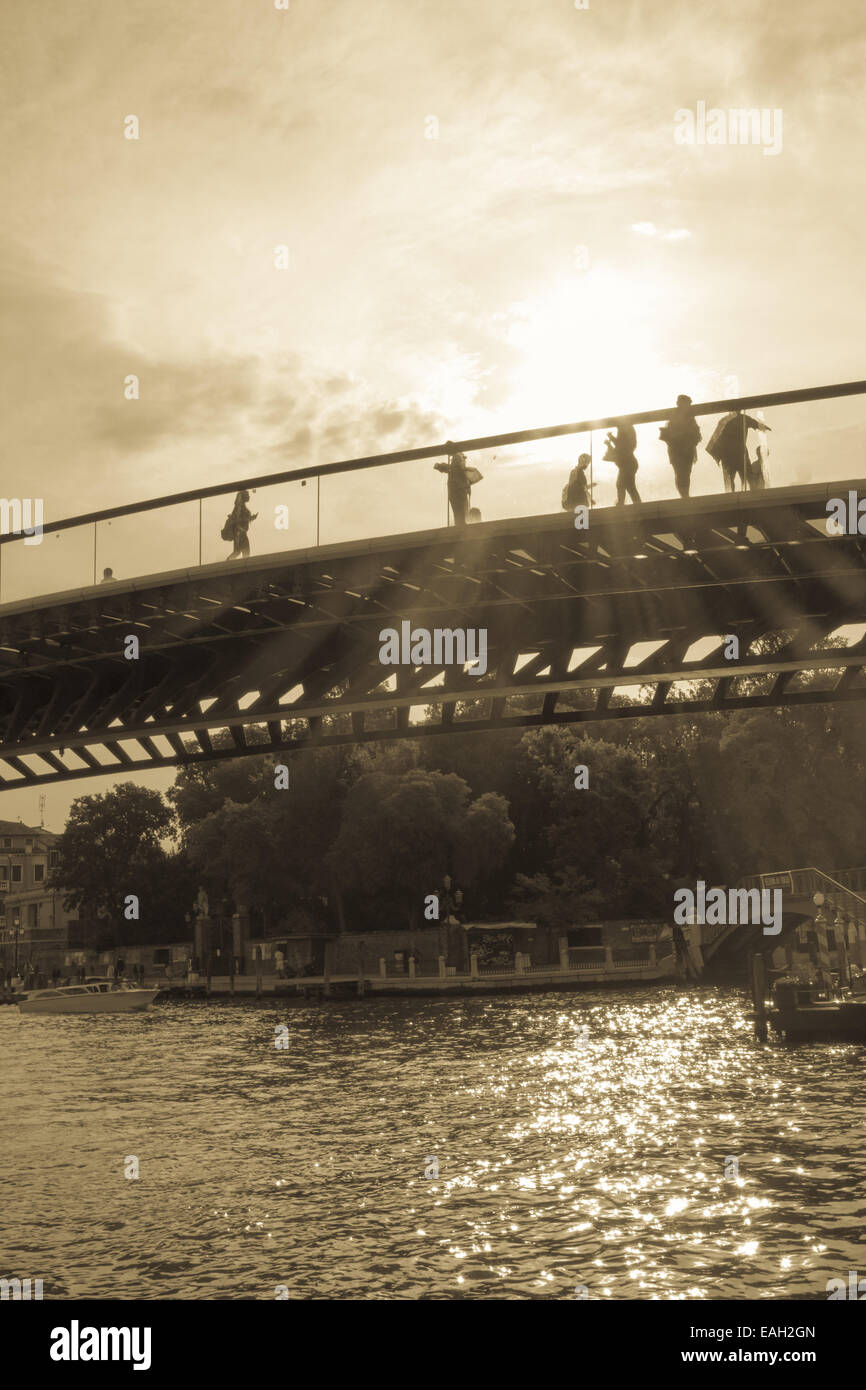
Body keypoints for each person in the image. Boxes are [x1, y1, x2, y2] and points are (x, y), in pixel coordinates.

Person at [705, 410, 771, 492]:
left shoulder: (726, 420)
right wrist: (763, 427)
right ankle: (748, 494)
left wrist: (717, 454)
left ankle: (734, 495)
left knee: (733, 479)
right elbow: (756, 424)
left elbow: (714, 440)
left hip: (730, 455)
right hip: (738, 454)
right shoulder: (742, 419)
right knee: (746, 477)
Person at [660, 395, 702, 499]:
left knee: (683, 473)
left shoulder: (685, 417)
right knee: (682, 473)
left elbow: (696, 434)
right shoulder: (684, 417)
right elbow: (696, 434)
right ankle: (684, 495)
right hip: (681, 449)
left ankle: (684, 495)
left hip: (683, 449)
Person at [434, 443, 476, 527]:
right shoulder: (458, 457)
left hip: (457, 488)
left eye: (447, 450)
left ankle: (460, 527)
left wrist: (441, 466)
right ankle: (461, 526)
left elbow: (455, 470)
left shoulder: (457, 457)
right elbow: (455, 469)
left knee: (459, 510)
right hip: (459, 488)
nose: (446, 453)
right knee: (461, 510)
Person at [605, 421, 641, 505]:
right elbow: (621, 445)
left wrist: (611, 438)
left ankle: (622, 504)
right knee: (628, 486)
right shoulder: (627, 431)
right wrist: (610, 441)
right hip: (628, 464)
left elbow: (621, 445)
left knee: (622, 485)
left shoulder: (624, 430)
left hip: (627, 464)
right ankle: (636, 504)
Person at [225, 489, 258, 559]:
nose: (249, 496)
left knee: (239, 552)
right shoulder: (239, 507)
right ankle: (226, 564)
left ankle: (226, 563)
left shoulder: (242, 507)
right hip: (240, 533)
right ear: (243, 497)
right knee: (243, 552)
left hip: (241, 533)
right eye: (247, 495)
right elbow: (237, 520)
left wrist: (251, 518)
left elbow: (242, 519)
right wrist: (249, 519)